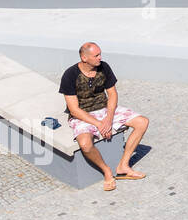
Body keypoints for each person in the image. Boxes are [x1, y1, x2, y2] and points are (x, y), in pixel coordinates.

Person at [59, 42, 150, 192]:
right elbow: (74, 110)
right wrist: (99, 124)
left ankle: (123, 166)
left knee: (142, 122)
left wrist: (108, 118)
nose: (100, 58)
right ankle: (107, 171)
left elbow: (112, 94)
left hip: (104, 109)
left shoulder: (104, 67)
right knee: (85, 144)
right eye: (96, 55)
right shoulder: (70, 75)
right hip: (83, 115)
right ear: (84, 58)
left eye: (100, 54)